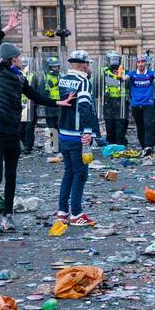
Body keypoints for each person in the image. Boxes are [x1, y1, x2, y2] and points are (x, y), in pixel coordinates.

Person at [0, 18, 76, 229]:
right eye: (17, 57)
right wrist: (7, 28)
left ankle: (8, 214)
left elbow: (35, 95)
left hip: (12, 130)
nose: (21, 60)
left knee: (12, 175)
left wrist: (58, 102)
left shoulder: (19, 78)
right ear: (10, 59)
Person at [55, 51, 100, 225]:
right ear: (84, 65)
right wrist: (87, 131)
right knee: (80, 175)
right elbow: (83, 106)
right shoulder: (83, 82)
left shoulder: (63, 79)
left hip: (64, 132)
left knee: (68, 173)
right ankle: (76, 213)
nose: (89, 68)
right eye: (88, 64)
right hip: (77, 135)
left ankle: (62, 211)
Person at [126, 54, 155, 156]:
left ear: (145, 63)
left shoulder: (150, 73)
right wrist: (119, 74)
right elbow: (124, 78)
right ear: (136, 64)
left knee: (149, 125)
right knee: (140, 127)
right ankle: (144, 146)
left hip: (148, 104)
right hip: (136, 105)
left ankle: (149, 146)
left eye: (143, 62)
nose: (141, 64)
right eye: (139, 62)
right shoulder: (132, 74)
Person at [101, 52, 130, 146]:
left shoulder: (125, 72)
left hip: (121, 102)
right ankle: (111, 143)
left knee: (121, 124)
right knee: (109, 124)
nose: (114, 62)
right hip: (108, 102)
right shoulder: (104, 72)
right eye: (112, 60)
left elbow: (128, 84)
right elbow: (100, 82)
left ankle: (120, 143)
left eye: (116, 60)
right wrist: (118, 81)